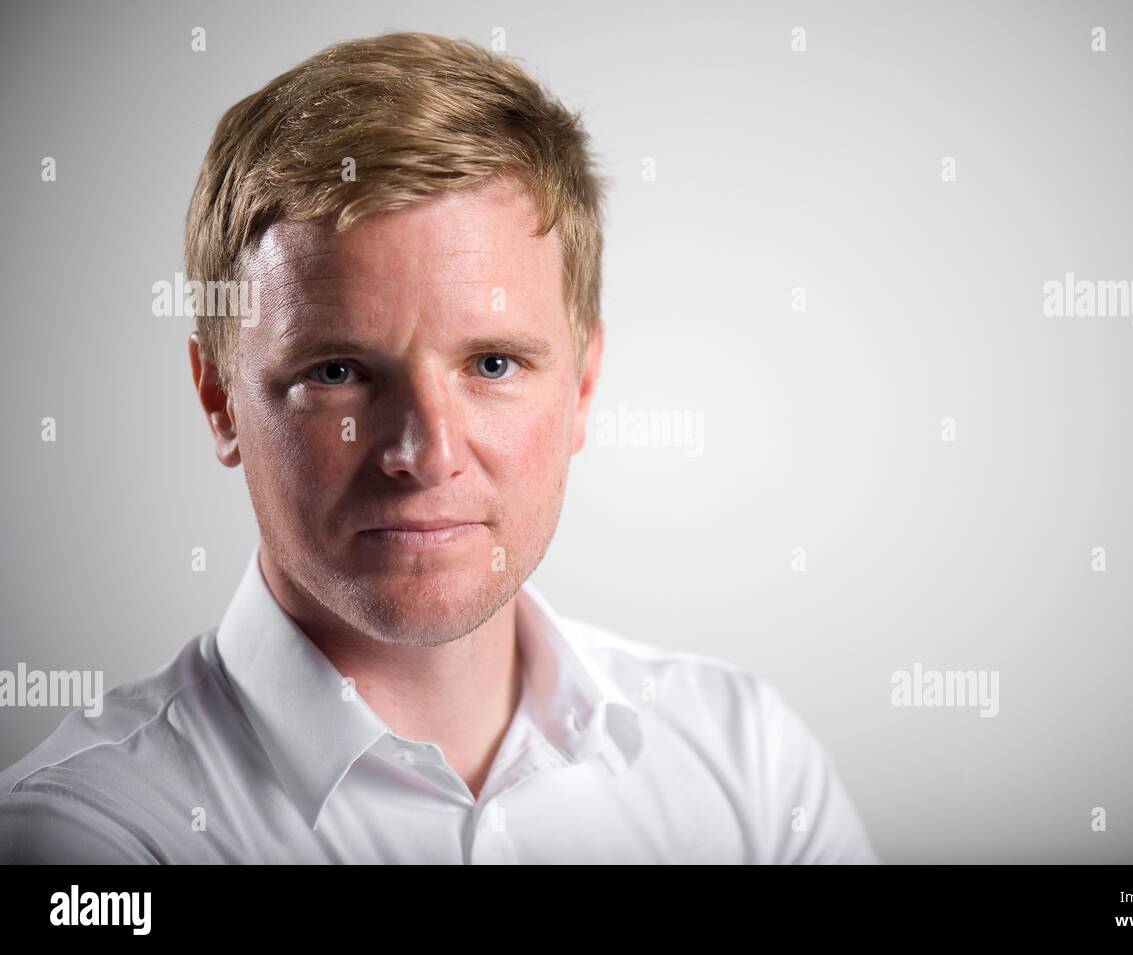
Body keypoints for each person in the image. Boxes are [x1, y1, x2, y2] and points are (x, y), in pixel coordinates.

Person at [0, 31, 878, 864]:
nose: (425, 452)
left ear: (581, 386)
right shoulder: (86, 836)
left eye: (493, 363)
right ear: (219, 398)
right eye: (338, 370)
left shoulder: (753, 765)